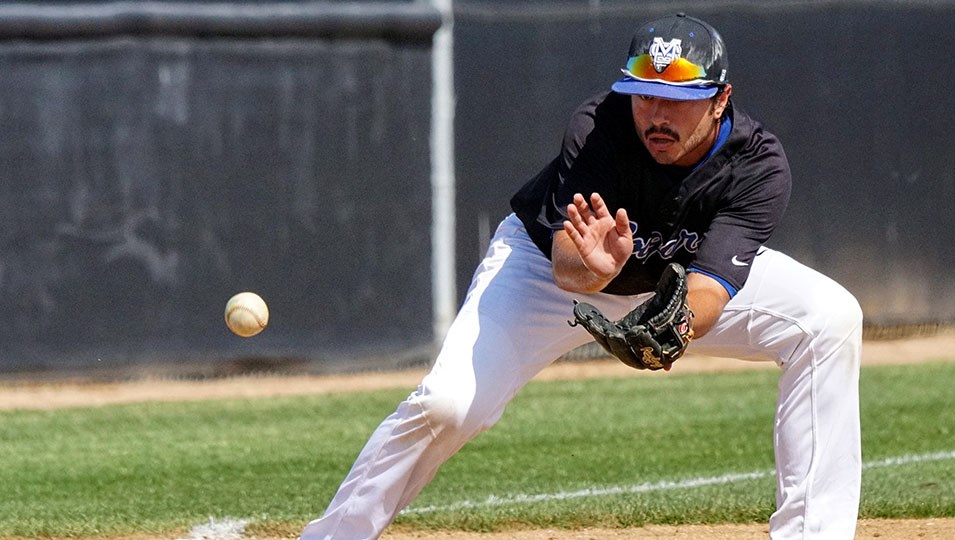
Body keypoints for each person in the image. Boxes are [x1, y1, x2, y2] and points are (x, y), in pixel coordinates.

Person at [300, 12, 862, 540]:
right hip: (543, 276)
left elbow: (711, 285)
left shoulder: (757, 165)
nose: (657, 114)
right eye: (645, 94)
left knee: (828, 319)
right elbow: (566, 265)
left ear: (720, 100)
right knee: (448, 404)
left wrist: (678, 326)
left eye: (678, 99)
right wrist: (593, 269)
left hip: (673, 284)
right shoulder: (599, 127)